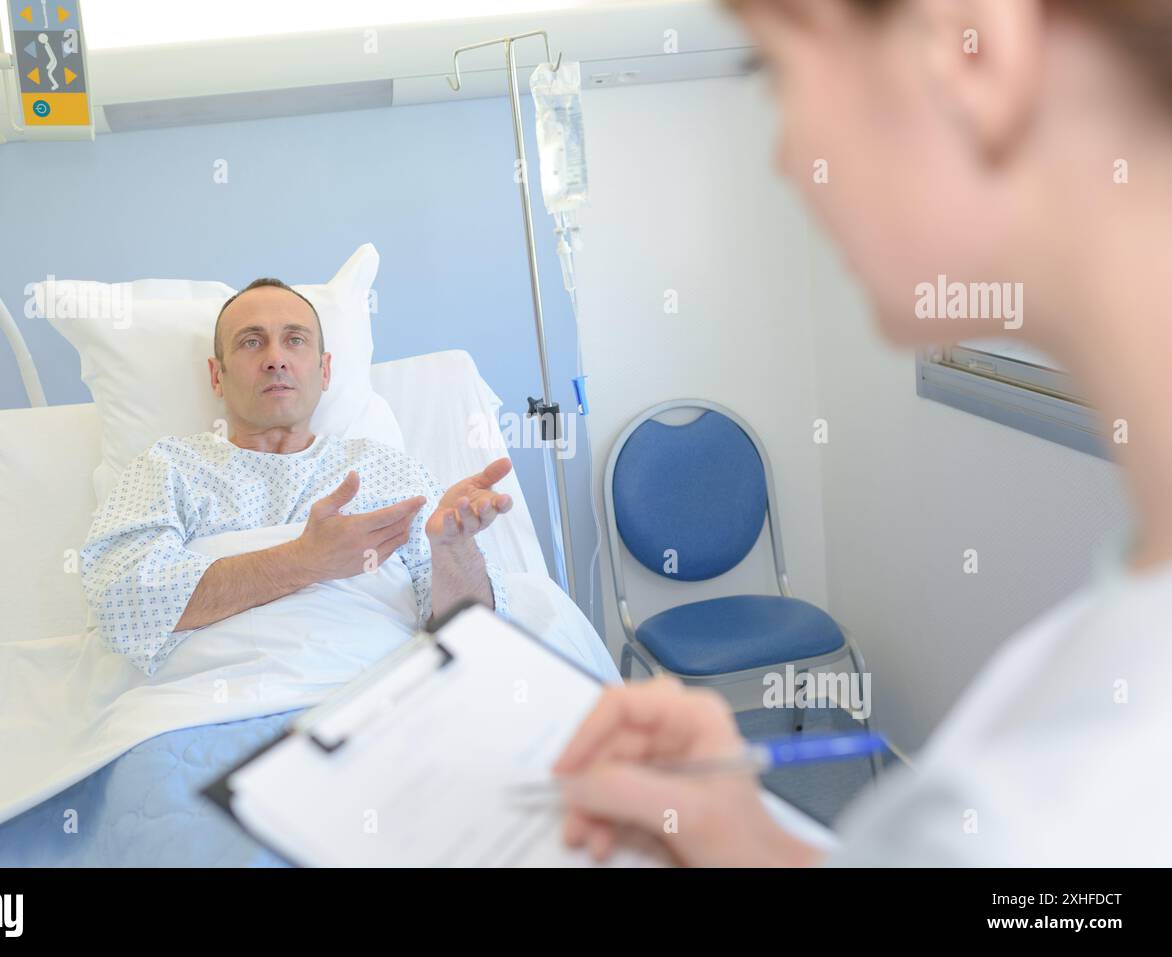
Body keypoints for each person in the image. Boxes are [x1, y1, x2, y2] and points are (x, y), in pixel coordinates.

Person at [554, 0, 1172, 865]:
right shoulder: (1105, 676)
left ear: (975, 49)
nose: (786, 157)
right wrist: (748, 837)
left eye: (775, 71)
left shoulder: (1052, 793)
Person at [81, 277, 514, 676]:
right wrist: (304, 561)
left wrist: (454, 549)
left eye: (295, 340)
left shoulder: (387, 470)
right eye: (251, 342)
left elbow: (471, 634)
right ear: (217, 376)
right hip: (210, 703)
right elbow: (120, 605)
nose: (275, 359)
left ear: (325, 371)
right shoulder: (169, 467)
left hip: (376, 698)